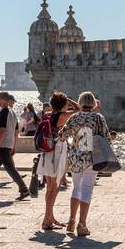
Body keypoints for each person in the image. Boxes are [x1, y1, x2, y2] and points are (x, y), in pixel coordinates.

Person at [56, 91, 113, 236]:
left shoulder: (74, 117)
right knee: (87, 190)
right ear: (94, 103)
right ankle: (82, 224)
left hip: (76, 158)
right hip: (92, 158)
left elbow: (62, 135)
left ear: (80, 102)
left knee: (76, 188)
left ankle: (71, 219)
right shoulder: (98, 118)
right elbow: (107, 137)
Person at [36, 92, 75, 230]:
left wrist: (60, 101)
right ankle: (47, 220)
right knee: (54, 188)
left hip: (47, 153)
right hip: (56, 154)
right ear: (63, 104)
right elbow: (78, 110)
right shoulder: (62, 116)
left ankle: (50, 217)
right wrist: (68, 99)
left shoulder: (49, 115)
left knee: (49, 188)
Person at [0, 92, 29, 201]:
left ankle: (24, 189)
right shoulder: (13, 112)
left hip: (3, 144)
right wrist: (13, 146)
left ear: (3, 99)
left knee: (10, 168)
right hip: (8, 143)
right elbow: (16, 130)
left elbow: (2, 131)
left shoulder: (4, 111)